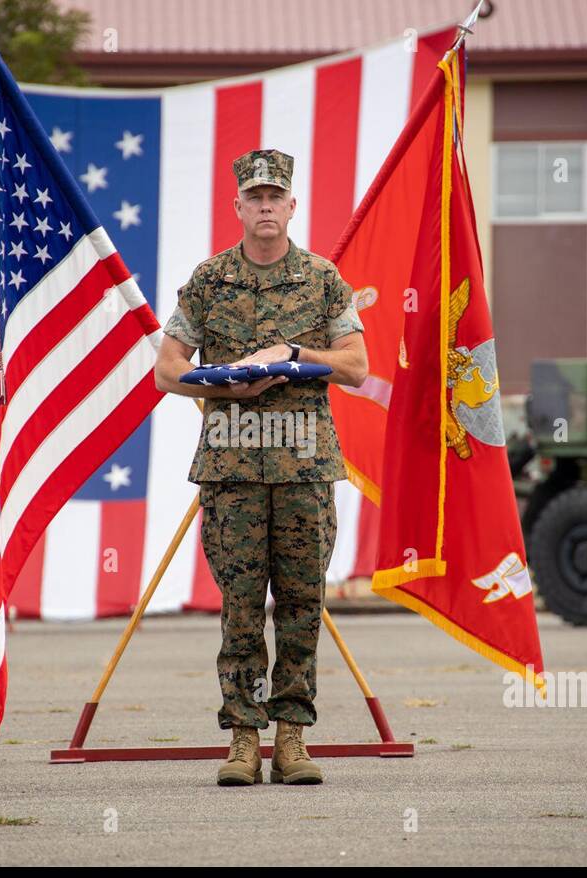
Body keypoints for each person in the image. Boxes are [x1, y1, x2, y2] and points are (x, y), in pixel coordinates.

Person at [154, 148, 368, 786]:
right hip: (233, 470)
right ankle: (244, 741)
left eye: (277, 196)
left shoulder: (323, 279)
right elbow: (167, 370)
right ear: (238, 207)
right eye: (256, 197)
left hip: (305, 467)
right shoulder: (208, 280)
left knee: (302, 603)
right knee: (241, 607)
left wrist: (294, 351)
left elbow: (356, 366)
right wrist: (220, 388)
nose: (266, 206)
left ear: (292, 206)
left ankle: (293, 740)